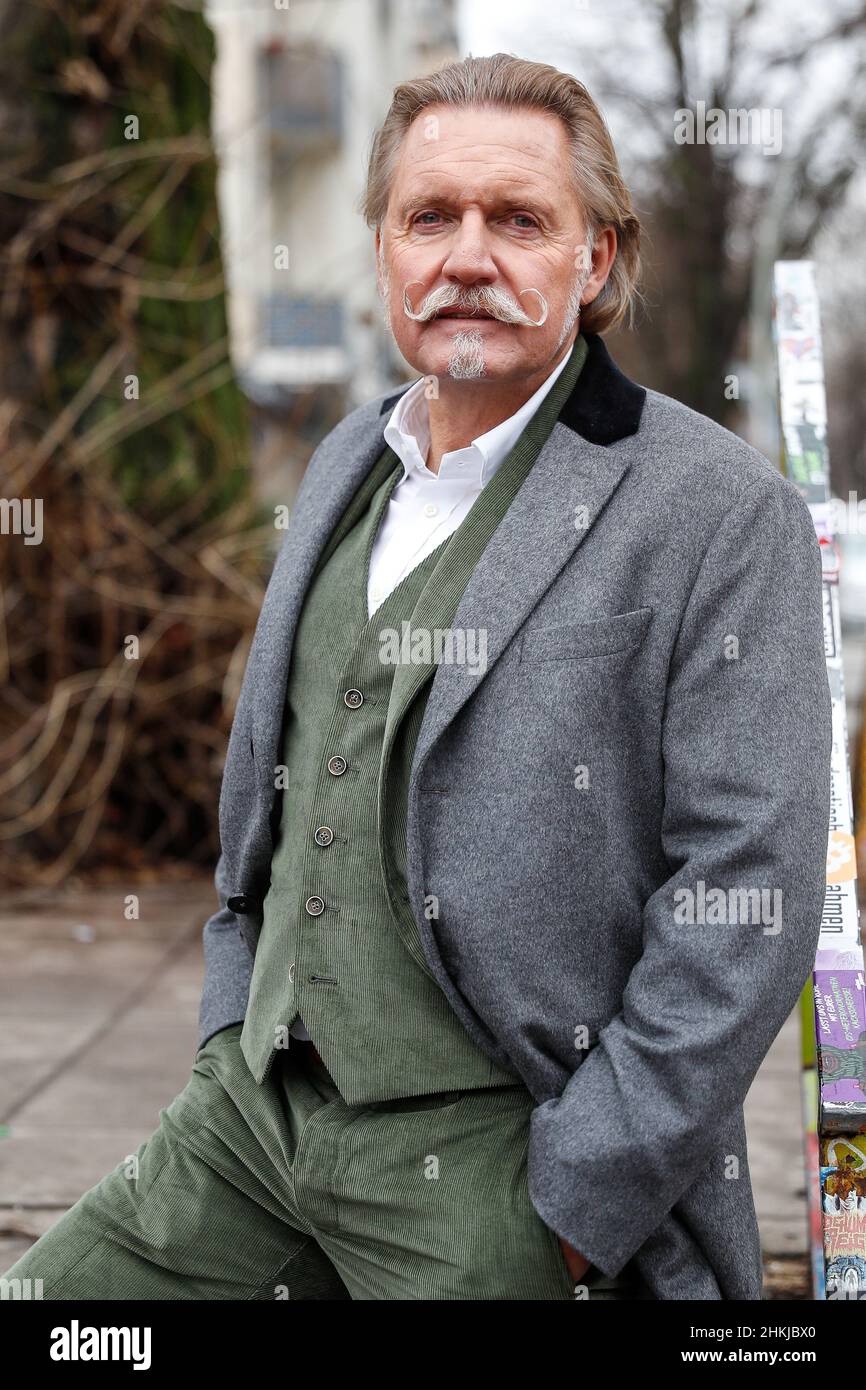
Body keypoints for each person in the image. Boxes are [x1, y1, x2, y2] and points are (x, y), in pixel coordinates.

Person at [3, 52, 831, 1301]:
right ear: (385, 248)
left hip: (497, 1168)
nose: (465, 256)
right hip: (249, 1123)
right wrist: (232, 1026)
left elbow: (745, 894)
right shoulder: (346, 462)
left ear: (593, 259)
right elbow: (267, 819)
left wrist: (570, 1204)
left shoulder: (717, 512)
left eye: (517, 220)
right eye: (427, 217)